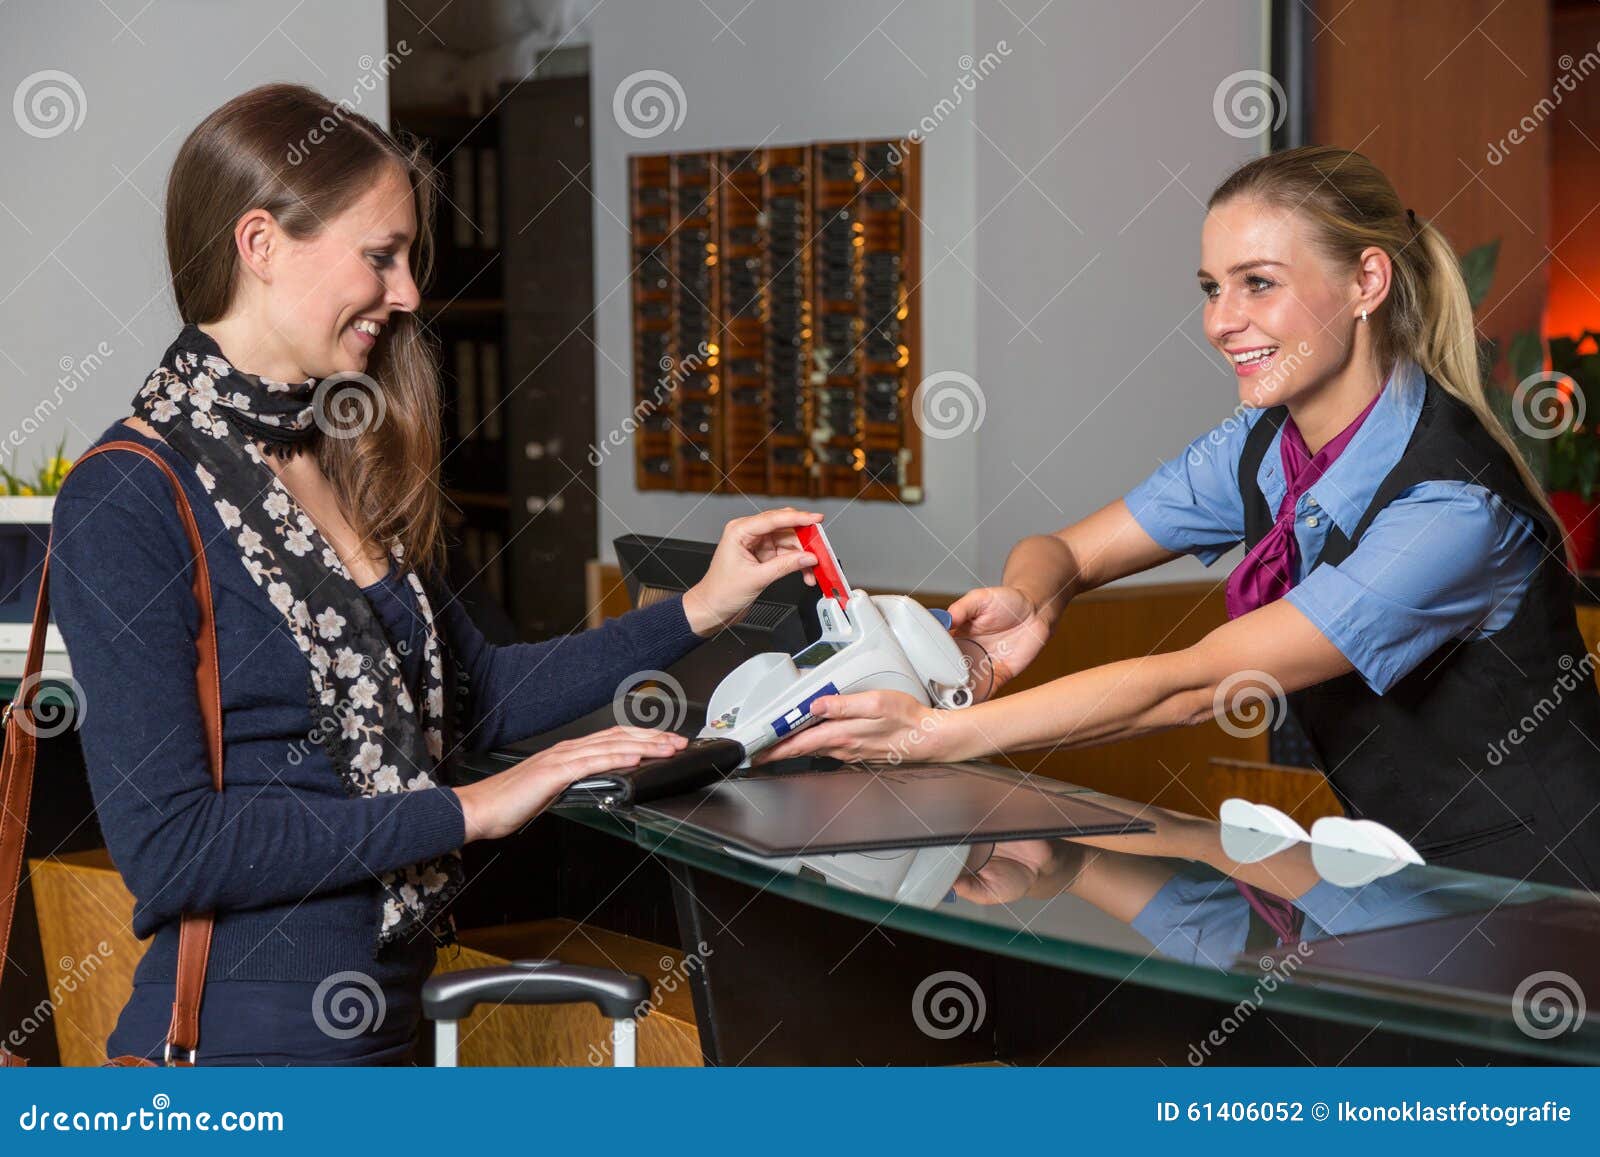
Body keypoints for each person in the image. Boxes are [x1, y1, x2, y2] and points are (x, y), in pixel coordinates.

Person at [48, 83, 820, 1065]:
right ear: (260, 244)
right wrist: (472, 807)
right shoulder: (126, 495)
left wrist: (701, 607)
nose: (408, 292)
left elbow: (475, 691)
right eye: (381, 256)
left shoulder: (339, 454)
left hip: (388, 1015)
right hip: (248, 1045)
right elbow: (174, 849)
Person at [762, 145, 1600, 894]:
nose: (1220, 321)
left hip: (1553, 897)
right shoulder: (1259, 446)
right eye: (1211, 288)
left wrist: (937, 734)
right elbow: (1064, 551)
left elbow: (1199, 686)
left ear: (1366, 283)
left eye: (1258, 283)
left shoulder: (1452, 509)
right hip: (1413, 881)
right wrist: (1030, 599)